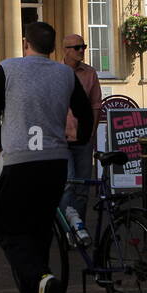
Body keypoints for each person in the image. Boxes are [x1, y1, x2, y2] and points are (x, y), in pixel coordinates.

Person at [0, 21, 93, 293]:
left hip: (21, 162)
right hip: (55, 162)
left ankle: (41, 279)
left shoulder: (8, 68)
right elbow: (84, 111)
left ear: (25, 43)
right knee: (40, 230)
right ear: (54, 48)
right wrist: (80, 139)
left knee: (5, 226)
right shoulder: (65, 73)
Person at [59, 33, 102, 231]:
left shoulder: (90, 73)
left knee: (83, 188)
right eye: (77, 47)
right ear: (65, 50)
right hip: (60, 138)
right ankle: (68, 231)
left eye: (83, 46)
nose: (81, 51)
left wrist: (92, 132)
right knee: (67, 185)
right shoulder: (56, 72)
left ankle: (80, 229)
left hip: (84, 138)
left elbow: (95, 105)